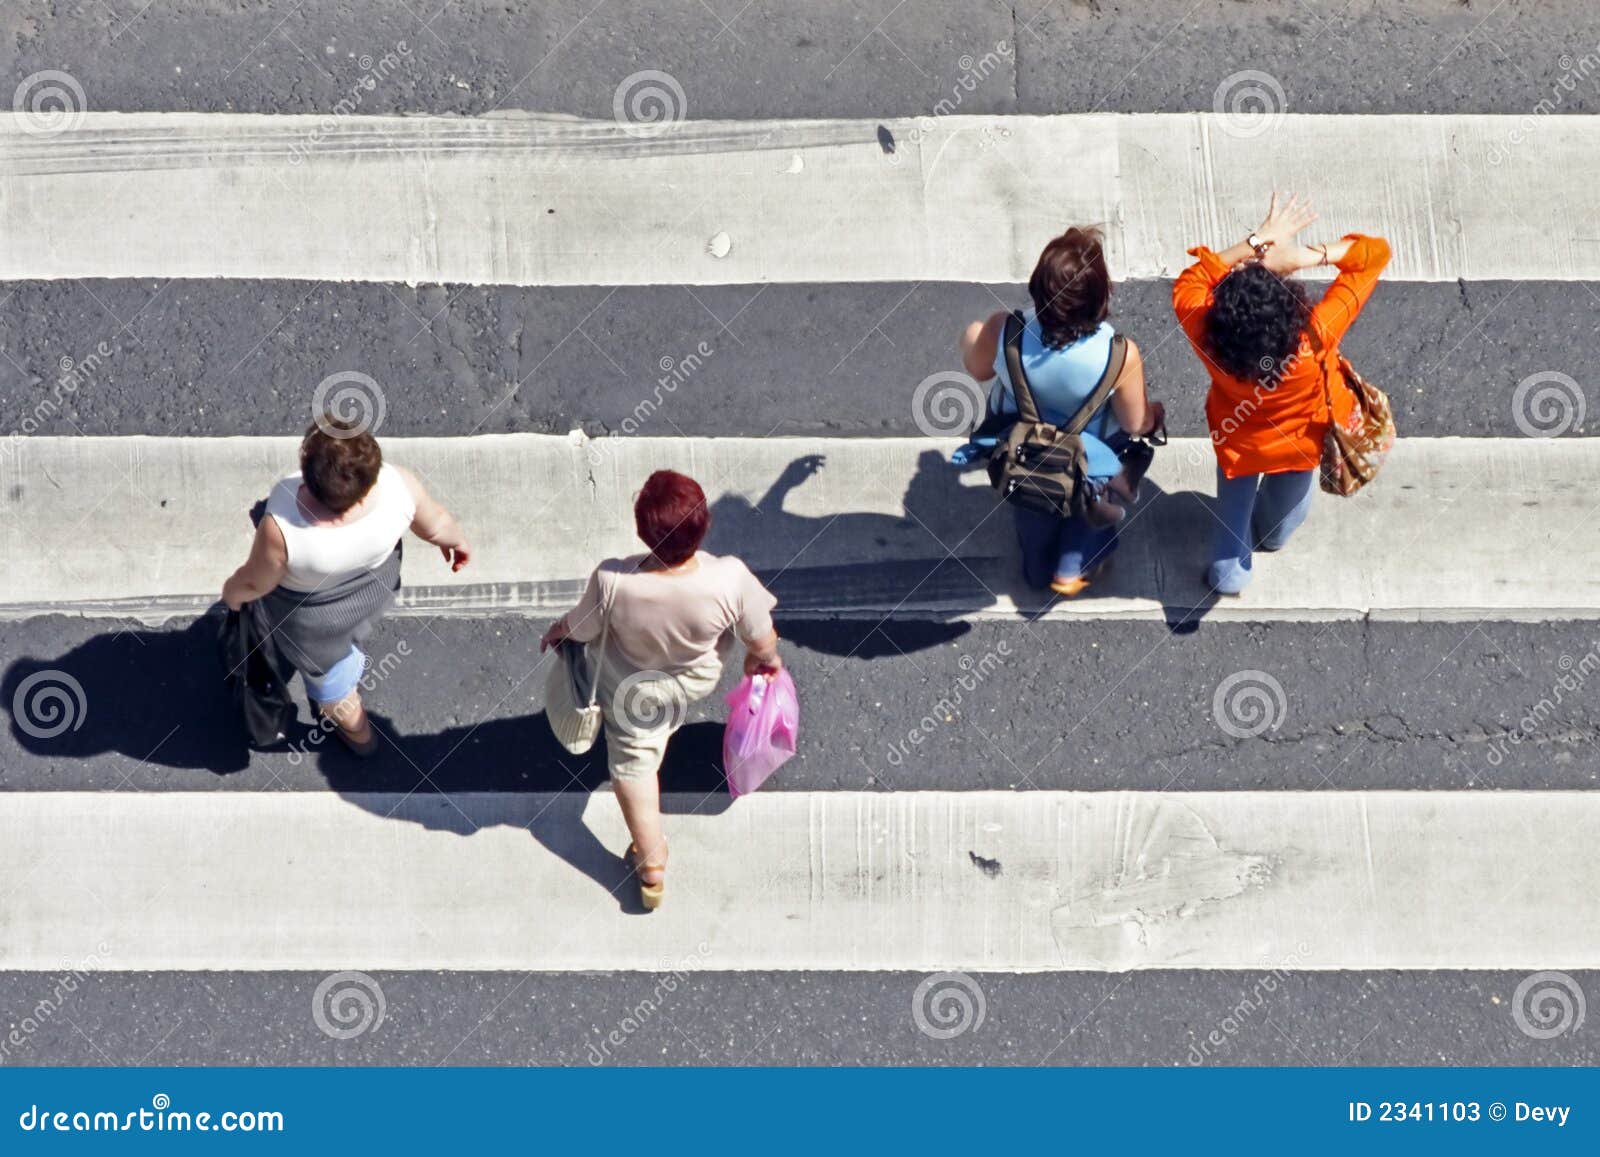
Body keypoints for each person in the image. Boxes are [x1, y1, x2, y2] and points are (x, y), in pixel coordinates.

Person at [540, 469, 781, 909]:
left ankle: (651, 863)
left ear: (641, 531)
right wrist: (764, 660)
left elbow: (581, 628)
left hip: (632, 691)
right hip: (692, 680)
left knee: (633, 763)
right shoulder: (730, 577)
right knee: (662, 722)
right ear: (705, 525)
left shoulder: (613, 580)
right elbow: (762, 638)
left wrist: (559, 631)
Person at [1173, 193, 1391, 594]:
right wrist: (1301, 257)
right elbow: (1374, 255)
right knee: (1279, 526)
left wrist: (1255, 241)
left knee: (1232, 518)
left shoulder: (1203, 330)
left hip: (1239, 444)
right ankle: (1267, 538)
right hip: (1300, 446)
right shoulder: (1316, 335)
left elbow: (1192, 279)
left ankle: (1230, 574)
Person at [221, 416, 472, 754]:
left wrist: (232, 595)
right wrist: (455, 540)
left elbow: (255, 582)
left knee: (333, 681)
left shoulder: (281, 531)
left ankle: (358, 733)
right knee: (355, 631)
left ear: (309, 480)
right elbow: (437, 523)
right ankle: (352, 674)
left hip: (315, 625)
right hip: (376, 589)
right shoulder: (400, 486)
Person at [959, 226, 1165, 597]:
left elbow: (977, 368)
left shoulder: (1004, 329)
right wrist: (1154, 416)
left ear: (1037, 287)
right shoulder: (1120, 354)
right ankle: (1073, 565)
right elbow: (1135, 422)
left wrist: (972, 333)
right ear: (1101, 295)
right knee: (1088, 502)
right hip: (1087, 453)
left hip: (1023, 446)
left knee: (1032, 510)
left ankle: (1037, 570)